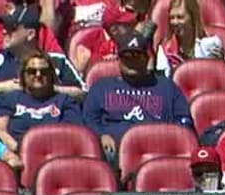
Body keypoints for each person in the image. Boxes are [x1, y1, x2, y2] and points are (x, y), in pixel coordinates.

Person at [82, 32, 195, 161]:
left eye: (137, 55)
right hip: (114, 154)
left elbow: (184, 123)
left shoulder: (166, 87)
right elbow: (88, 121)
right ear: (118, 59)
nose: (132, 61)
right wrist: (100, 135)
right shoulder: (102, 87)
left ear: (147, 58)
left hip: (157, 153)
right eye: (127, 56)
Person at [0, 7, 86, 104]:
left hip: (49, 123)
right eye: (4, 27)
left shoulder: (57, 62)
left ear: (30, 34)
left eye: (11, 28)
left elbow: (83, 94)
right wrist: (0, 88)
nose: (4, 31)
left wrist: (48, 89)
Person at [0, 51, 85, 151]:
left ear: (51, 75)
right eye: (32, 71)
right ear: (23, 75)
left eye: (44, 71)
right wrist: (19, 150)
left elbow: (73, 134)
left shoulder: (65, 101)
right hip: (18, 156)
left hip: (56, 154)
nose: (38, 75)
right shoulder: (8, 99)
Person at [156, 0, 225, 74]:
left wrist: (219, 63)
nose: (175, 22)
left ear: (193, 18)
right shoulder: (165, 50)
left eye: (180, 17)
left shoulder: (210, 45)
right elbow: (163, 81)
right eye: (172, 18)